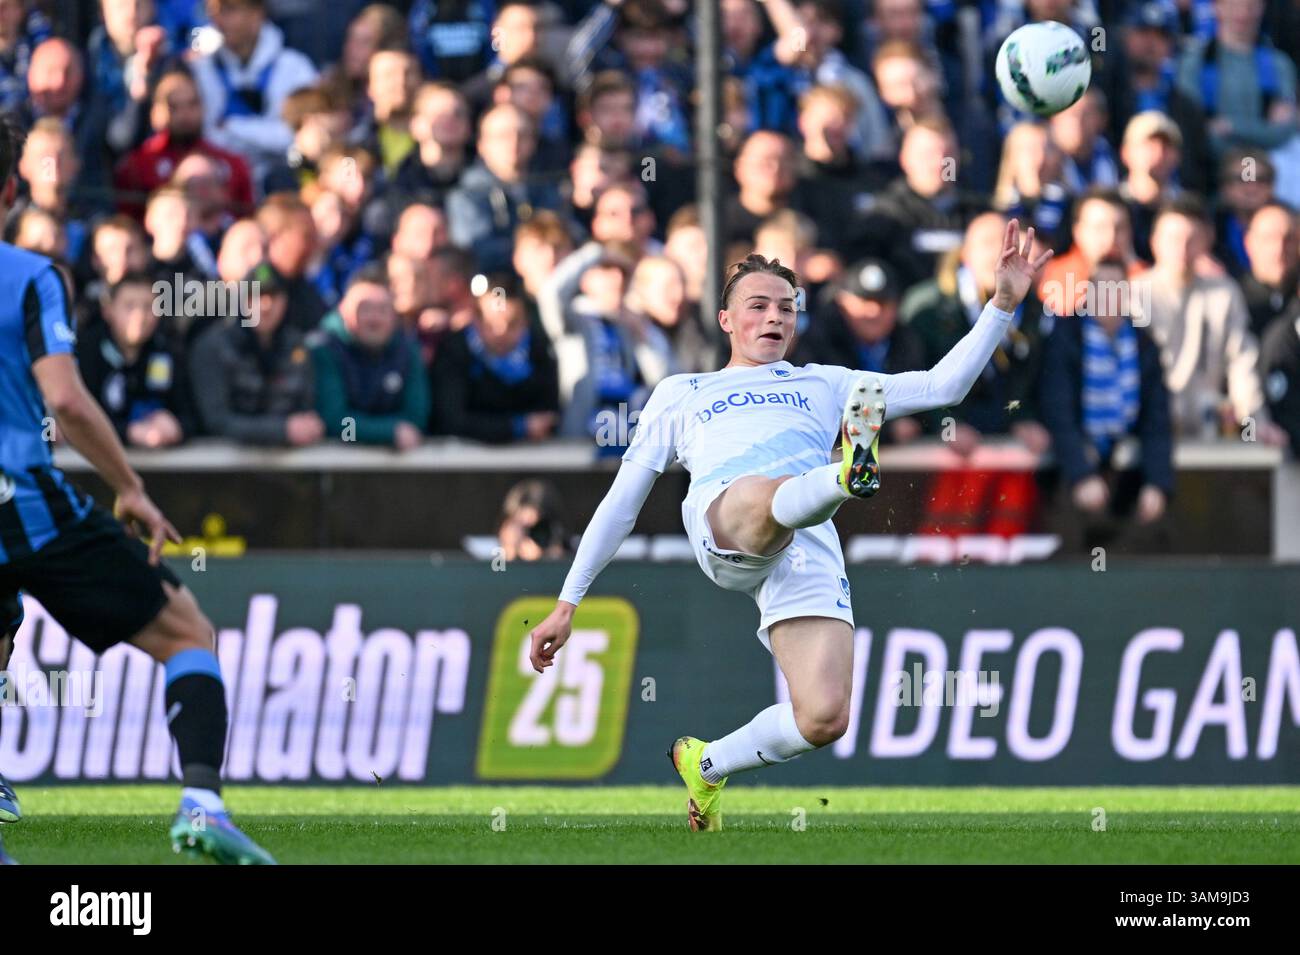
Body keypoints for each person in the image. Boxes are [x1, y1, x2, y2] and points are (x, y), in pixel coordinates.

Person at [526, 220, 1052, 830]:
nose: (774, 317)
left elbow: (943, 386)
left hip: (807, 543)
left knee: (824, 716)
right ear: (726, 320)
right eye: (757, 306)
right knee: (763, 493)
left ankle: (707, 765)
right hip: (726, 521)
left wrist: (1002, 304)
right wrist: (568, 601)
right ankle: (845, 474)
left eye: (786, 307)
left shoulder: (826, 384)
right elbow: (623, 500)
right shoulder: (683, 392)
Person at [0, 117, 272, 864]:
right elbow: (69, 401)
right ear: (11, 191)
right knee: (188, 632)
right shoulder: (28, 275)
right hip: (21, 498)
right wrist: (129, 487)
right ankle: (203, 804)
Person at [1039, 256, 1175, 549]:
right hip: (1072, 473)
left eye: (1117, 287)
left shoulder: (1143, 343)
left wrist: (1157, 483)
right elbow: (1058, 411)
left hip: (1128, 477)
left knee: (1138, 552)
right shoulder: (1066, 337)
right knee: (1073, 559)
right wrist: (1081, 474)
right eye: (1102, 286)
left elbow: (1156, 420)